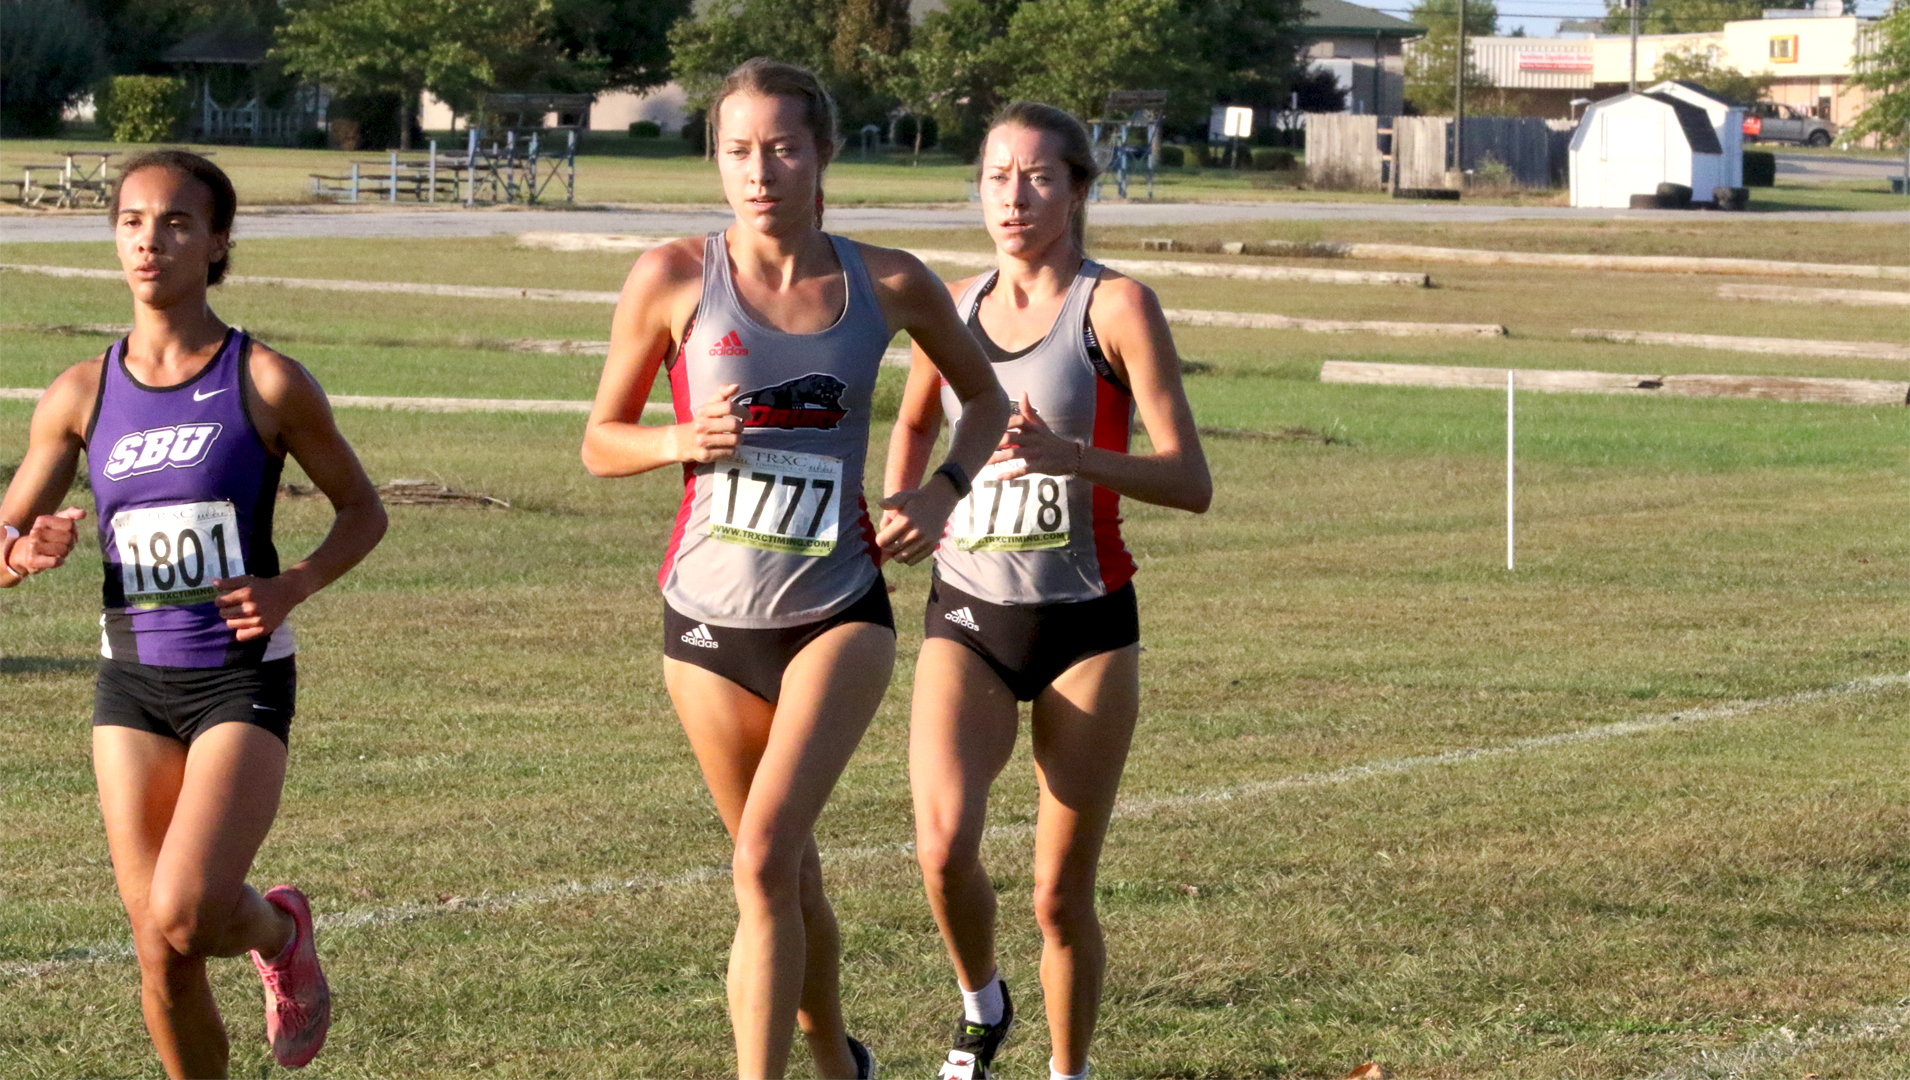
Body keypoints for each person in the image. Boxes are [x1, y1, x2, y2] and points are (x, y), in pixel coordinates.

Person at [581, 57, 1010, 1080]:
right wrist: (676, 439)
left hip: (836, 612)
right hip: (704, 624)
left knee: (763, 859)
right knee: (784, 879)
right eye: (737, 150)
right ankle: (835, 1062)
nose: (759, 169)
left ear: (823, 153)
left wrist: (942, 492)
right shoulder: (674, 276)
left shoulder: (888, 280)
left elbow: (986, 403)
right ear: (715, 161)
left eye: (780, 147)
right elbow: (600, 439)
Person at [0, 150, 387, 1078]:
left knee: (186, 909)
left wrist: (292, 584)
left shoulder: (267, 381)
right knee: (159, 950)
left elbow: (363, 511)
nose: (150, 239)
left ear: (216, 243)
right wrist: (22, 551)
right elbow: (2, 538)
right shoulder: (80, 394)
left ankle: (281, 929)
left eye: (176, 222)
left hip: (238, 678)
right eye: (133, 220)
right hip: (131, 683)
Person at [883, 102, 1213, 1080]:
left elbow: (1188, 480)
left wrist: (1072, 456)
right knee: (942, 850)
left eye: (1035, 177)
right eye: (994, 176)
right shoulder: (950, 303)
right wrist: (909, 501)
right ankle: (981, 1005)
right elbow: (911, 420)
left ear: (1075, 189)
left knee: (1058, 898)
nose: (1012, 196)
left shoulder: (1115, 309)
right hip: (969, 618)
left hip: (1085, 628)